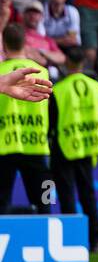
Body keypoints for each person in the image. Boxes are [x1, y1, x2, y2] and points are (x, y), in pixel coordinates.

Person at [47, 46, 98, 248]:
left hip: (64, 147)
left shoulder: (59, 90)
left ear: (67, 63)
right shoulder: (97, 87)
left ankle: (71, 241)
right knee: (88, 194)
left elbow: (51, 122)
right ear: (83, 63)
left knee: (67, 195)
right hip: (88, 146)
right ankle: (96, 239)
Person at [0, 20, 51, 212]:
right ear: (26, 43)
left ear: (3, 45)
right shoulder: (43, 71)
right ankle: (49, 233)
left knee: (1, 203)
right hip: (36, 144)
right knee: (46, 199)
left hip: (4, 145)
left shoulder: (0, 73)